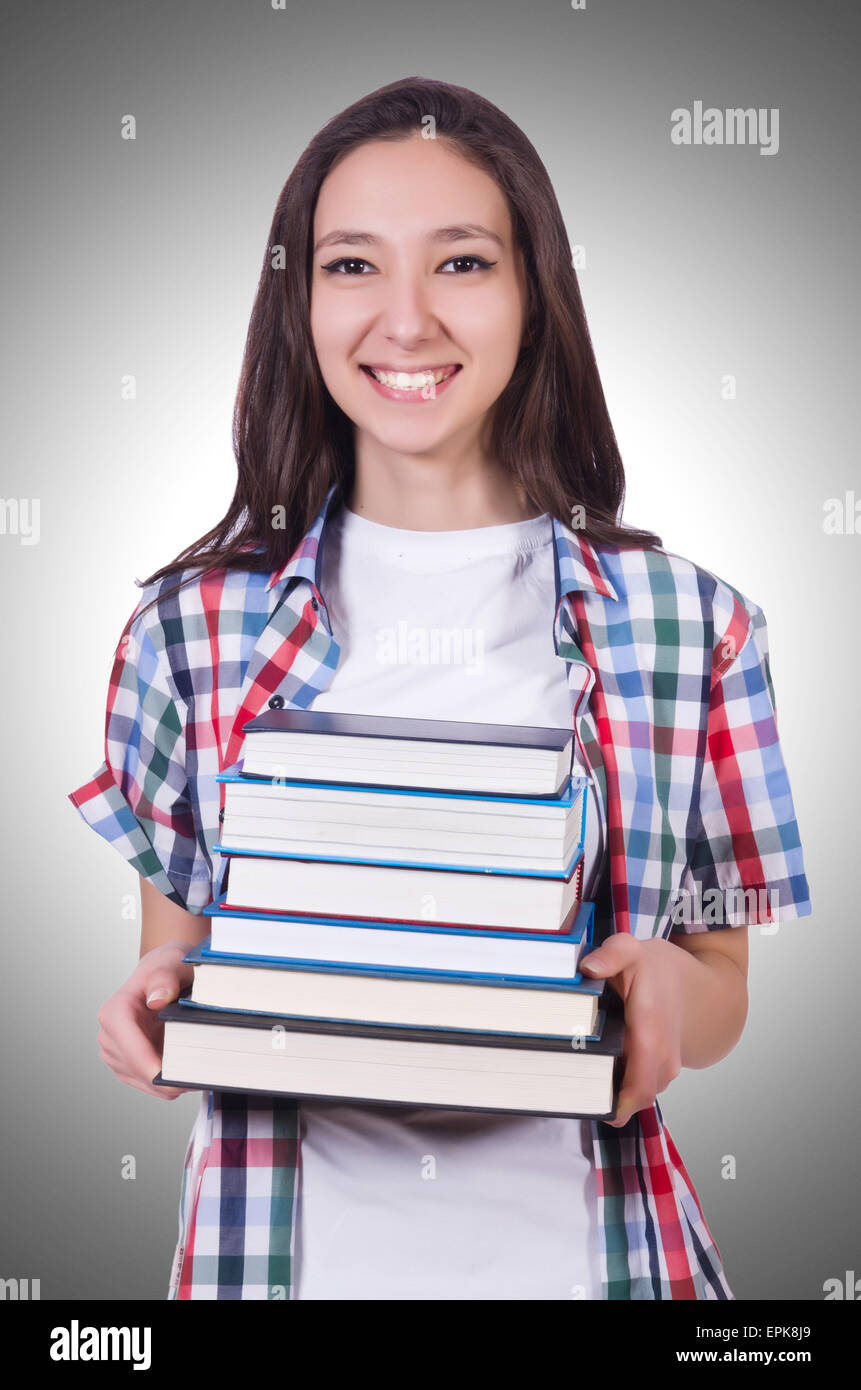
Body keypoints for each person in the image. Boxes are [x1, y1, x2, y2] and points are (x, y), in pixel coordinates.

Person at [68, 76, 811, 1301]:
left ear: (535, 294)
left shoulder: (691, 626)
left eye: (461, 264)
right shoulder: (187, 631)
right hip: (283, 1266)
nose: (404, 321)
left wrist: (675, 991)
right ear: (299, 298)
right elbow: (186, 962)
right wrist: (153, 1009)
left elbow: (720, 987)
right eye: (352, 266)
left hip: (597, 1265)